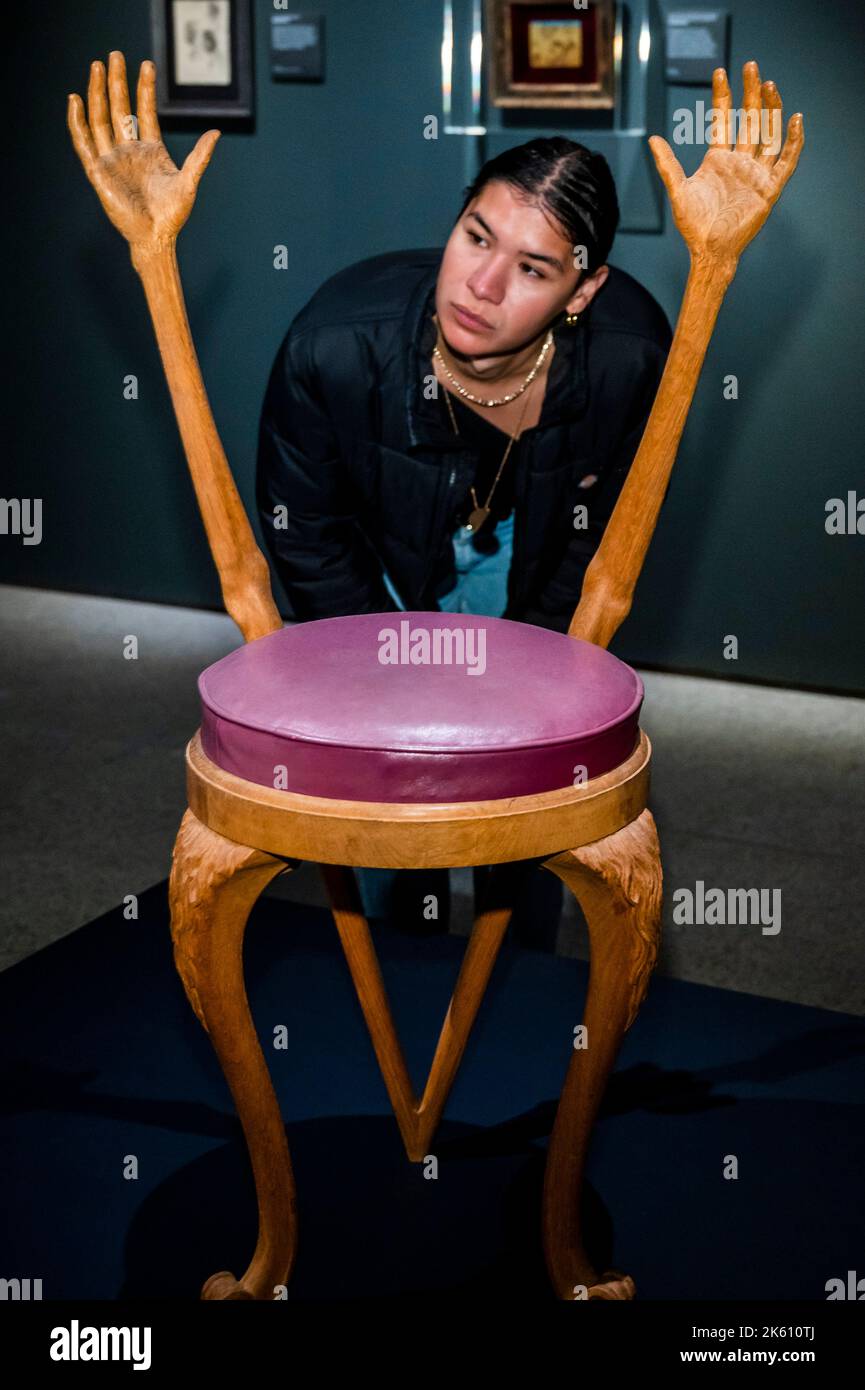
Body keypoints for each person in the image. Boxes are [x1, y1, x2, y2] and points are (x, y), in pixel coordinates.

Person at [255, 136, 673, 945]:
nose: (480, 286)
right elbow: (305, 534)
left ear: (581, 291)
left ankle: (515, 972)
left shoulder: (632, 358)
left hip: (528, 542)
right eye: (476, 237)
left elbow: (597, 552)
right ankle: (397, 963)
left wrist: (537, 669)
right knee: (388, 791)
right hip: (379, 553)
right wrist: (387, 672)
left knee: (527, 786)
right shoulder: (333, 343)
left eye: (532, 268)